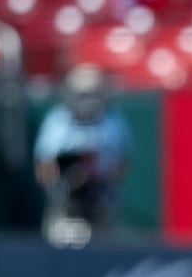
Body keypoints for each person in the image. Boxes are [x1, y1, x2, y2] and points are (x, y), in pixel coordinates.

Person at [33, 64, 132, 246]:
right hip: (65, 207)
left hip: (102, 206)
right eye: (84, 94)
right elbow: (43, 170)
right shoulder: (57, 123)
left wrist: (97, 174)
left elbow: (122, 167)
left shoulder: (114, 124)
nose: (89, 100)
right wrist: (68, 175)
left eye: (94, 94)